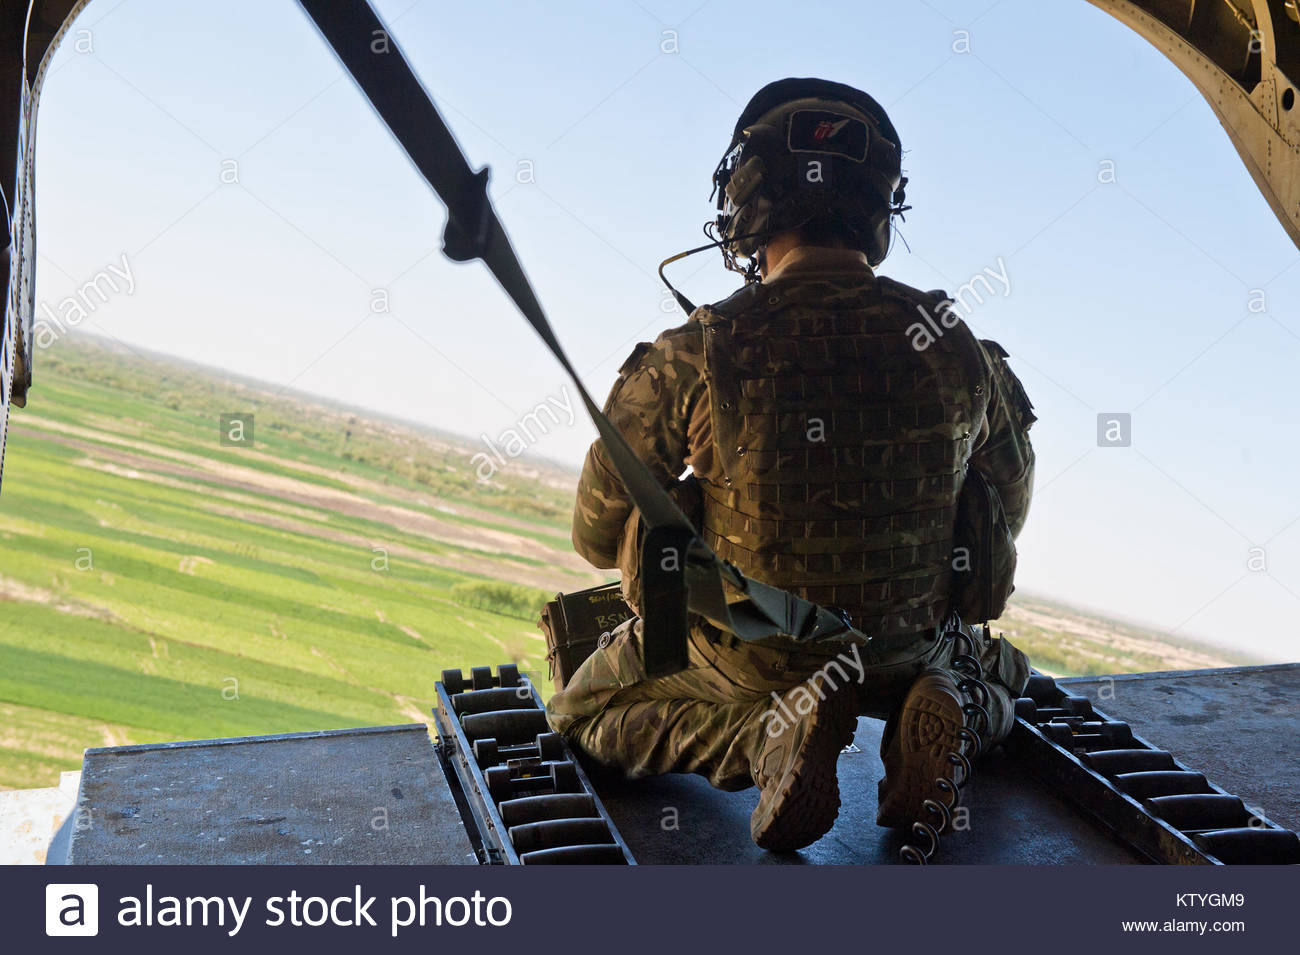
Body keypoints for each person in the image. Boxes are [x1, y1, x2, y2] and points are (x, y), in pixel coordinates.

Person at [546, 78, 1035, 852]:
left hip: (745, 654)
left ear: (746, 197)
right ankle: (943, 712)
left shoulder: (697, 351)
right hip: (908, 647)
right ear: (879, 208)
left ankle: (766, 739)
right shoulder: (958, 348)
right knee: (1005, 676)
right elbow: (1009, 499)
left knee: (581, 716)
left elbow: (597, 533)